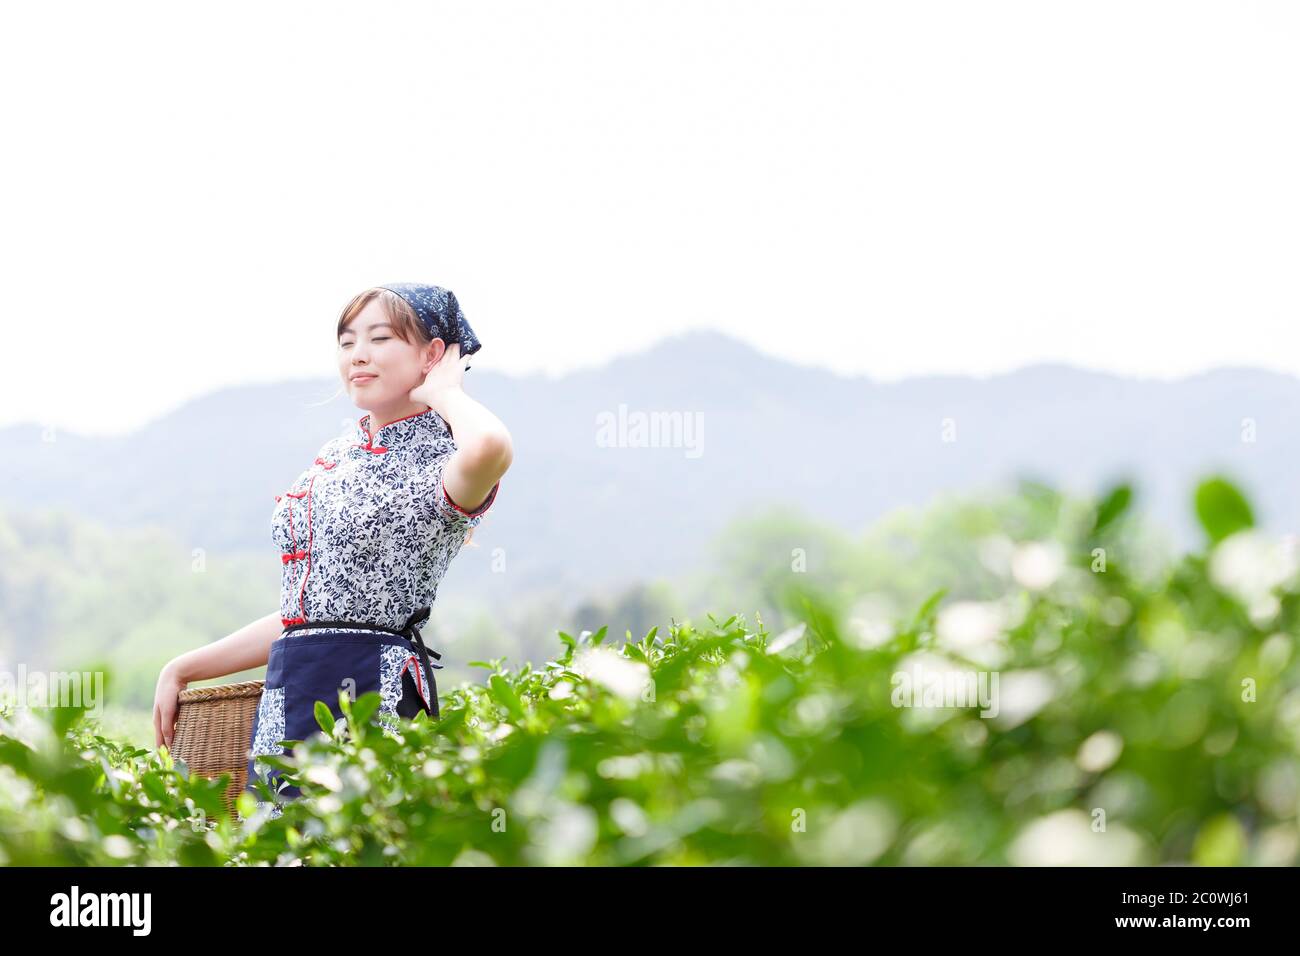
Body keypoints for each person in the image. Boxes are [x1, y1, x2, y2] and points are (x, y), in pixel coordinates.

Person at [152, 284, 513, 819]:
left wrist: (445, 391)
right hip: (291, 690)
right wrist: (184, 667)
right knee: (281, 847)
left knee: (356, 843)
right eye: (347, 342)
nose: (357, 354)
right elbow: (309, 612)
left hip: (371, 689)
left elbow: (491, 446)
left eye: (380, 338)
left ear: (432, 355)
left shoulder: (444, 455)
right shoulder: (337, 454)